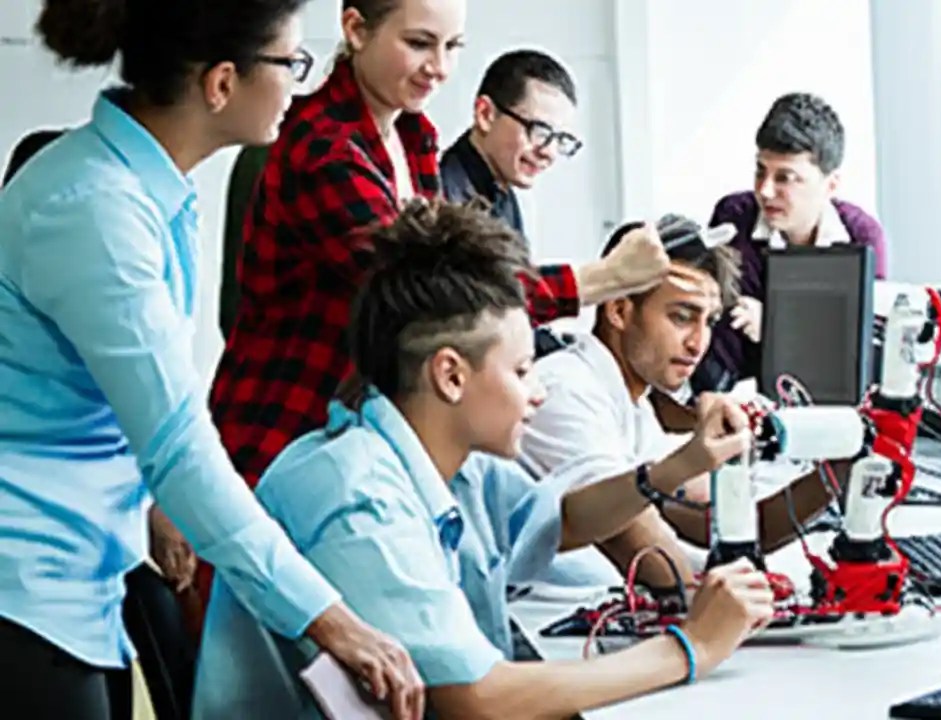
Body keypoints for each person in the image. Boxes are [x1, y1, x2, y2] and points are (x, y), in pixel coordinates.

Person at [0, 2, 424, 719]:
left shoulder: (150, 188)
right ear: (222, 83)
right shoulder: (94, 207)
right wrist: (331, 620)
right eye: (291, 63)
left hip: (84, 572)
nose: (300, 84)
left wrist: (162, 500)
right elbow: (178, 448)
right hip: (27, 580)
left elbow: (145, 402)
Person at [194, 199, 775, 719]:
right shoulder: (359, 496)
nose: (538, 390)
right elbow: (475, 697)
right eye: (521, 371)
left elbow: (564, 520)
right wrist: (690, 648)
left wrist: (676, 467)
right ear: (450, 374)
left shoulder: (452, 464)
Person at [210, 0, 671, 498]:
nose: (441, 69)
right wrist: (602, 278)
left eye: (452, 47)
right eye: (419, 44)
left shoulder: (413, 137)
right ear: (356, 29)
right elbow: (438, 294)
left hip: (357, 441)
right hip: (283, 434)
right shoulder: (325, 149)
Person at [520, 216, 848, 592]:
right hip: (549, 631)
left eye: (709, 321)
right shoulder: (567, 390)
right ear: (619, 311)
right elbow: (662, 568)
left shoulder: (633, 404)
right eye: (681, 317)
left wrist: (841, 468)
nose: (698, 343)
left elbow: (725, 526)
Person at [692, 92, 888, 395]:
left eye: (785, 178)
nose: (765, 191)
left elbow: (857, 350)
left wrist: (776, 329)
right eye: (760, 171)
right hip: (744, 401)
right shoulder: (734, 220)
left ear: (830, 185)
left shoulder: (861, 238)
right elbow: (724, 337)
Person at [439, 48, 580, 238]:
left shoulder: (500, 192)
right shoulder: (444, 204)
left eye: (559, 139)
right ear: (485, 114)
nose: (550, 152)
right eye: (540, 131)